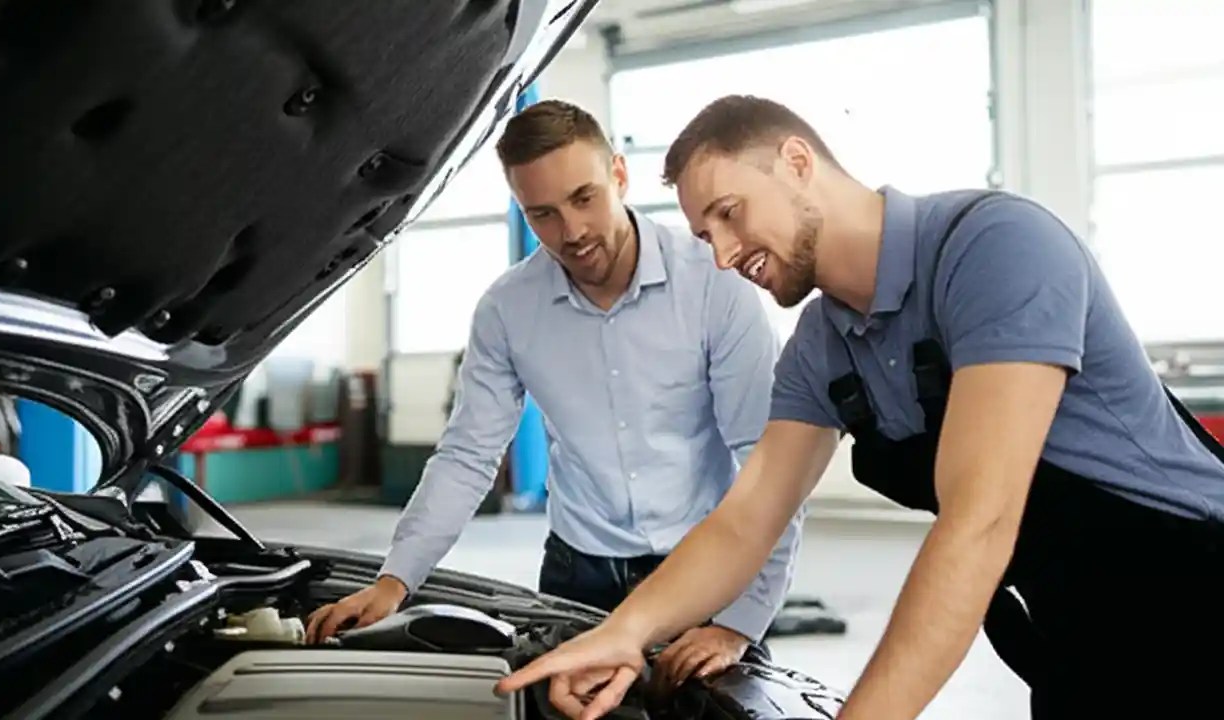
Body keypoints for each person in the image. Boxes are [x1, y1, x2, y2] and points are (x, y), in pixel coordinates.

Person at [495, 94, 1224, 719]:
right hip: (1079, 638)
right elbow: (746, 520)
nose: (721, 255)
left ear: (797, 162)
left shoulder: (996, 248)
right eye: (703, 234)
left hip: (1196, 597)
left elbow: (981, 521)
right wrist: (628, 630)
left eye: (729, 213)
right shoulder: (821, 347)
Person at [305, 99, 803, 685]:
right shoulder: (507, 311)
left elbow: (768, 467)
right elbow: (468, 456)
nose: (570, 232)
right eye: (541, 214)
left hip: (707, 568)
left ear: (619, 174)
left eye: (584, 198)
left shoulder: (716, 284)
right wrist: (396, 579)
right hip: (577, 575)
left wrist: (742, 620)